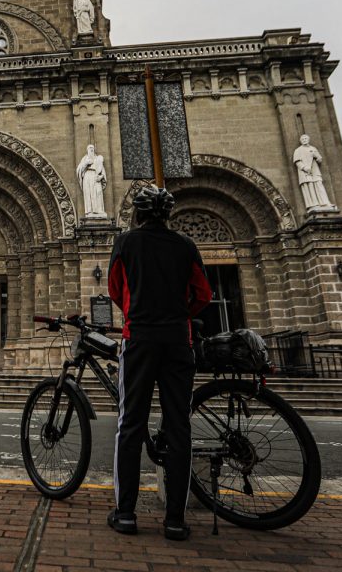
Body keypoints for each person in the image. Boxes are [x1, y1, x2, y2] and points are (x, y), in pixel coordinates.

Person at [106, 187, 212, 541]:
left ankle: (125, 514)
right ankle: (175, 521)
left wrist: (139, 315)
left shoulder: (125, 242)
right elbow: (203, 294)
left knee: (130, 424)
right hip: (178, 342)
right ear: (167, 215)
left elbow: (116, 289)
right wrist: (180, 316)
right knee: (179, 426)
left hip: (139, 340)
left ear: (138, 214)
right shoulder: (185, 245)